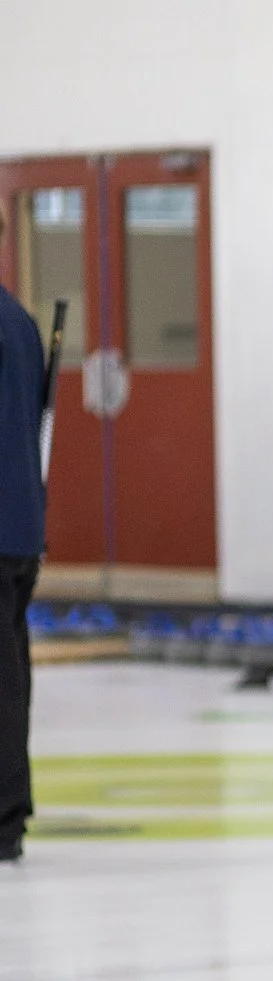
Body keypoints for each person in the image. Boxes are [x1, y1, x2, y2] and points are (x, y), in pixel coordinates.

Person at [0, 234, 45, 866]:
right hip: (19, 528)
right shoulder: (20, 321)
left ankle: (6, 813)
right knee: (10, 673)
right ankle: (10, 809)